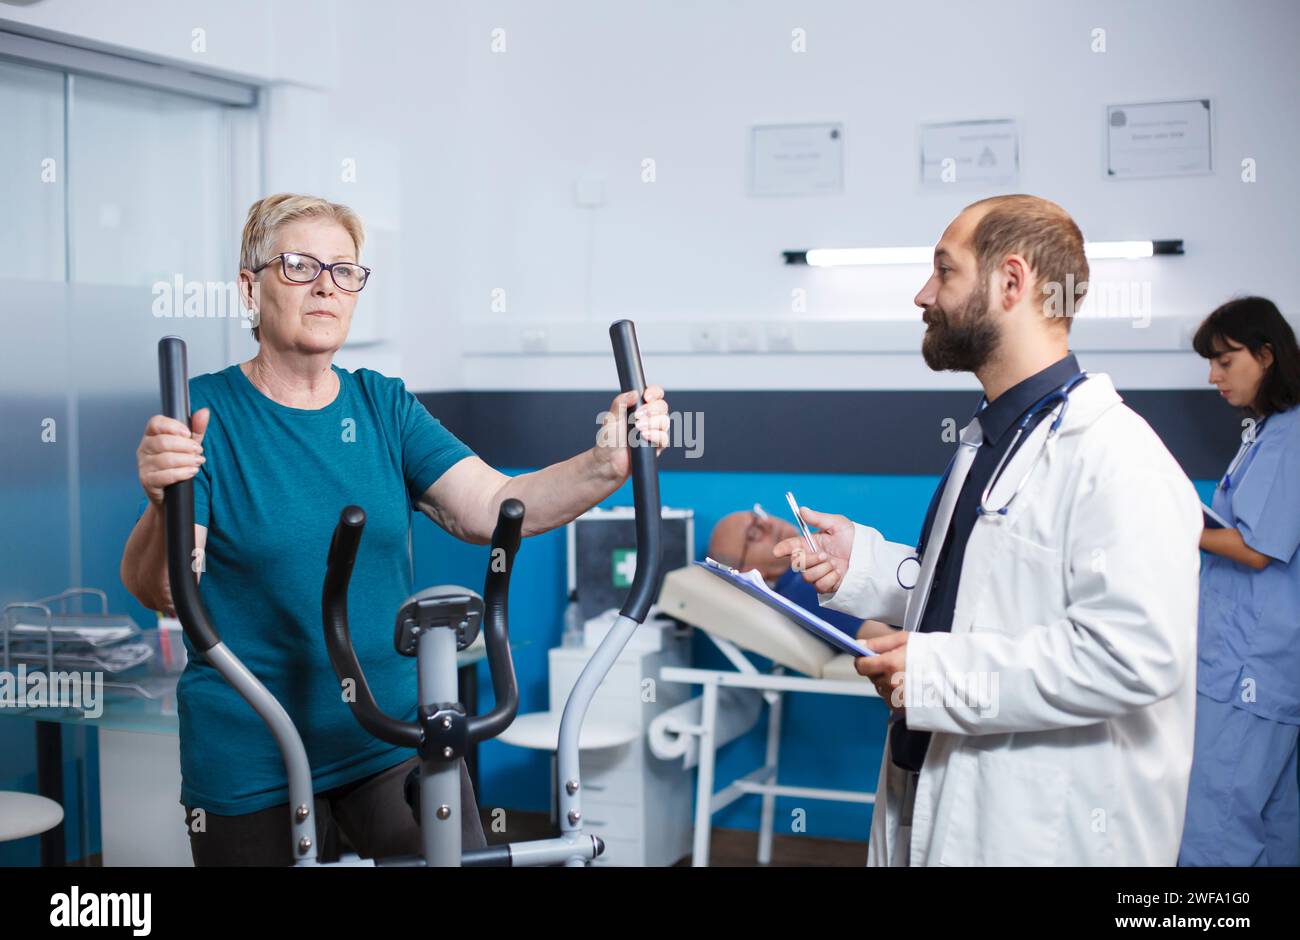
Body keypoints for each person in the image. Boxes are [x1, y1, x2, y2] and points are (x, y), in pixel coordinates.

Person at [119, 193, 672, 866]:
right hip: (252, 754)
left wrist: (605, 461)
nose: (325, 284)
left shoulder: (382, 404)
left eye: (345, 270)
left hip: (389, 736)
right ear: (249, 287)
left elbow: (494, 505)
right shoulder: (205, 415)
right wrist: (160, 501)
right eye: (297, 265)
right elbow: (170, 591)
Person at [773, 194, 1202, 866]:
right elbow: (982, 593)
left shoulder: (1117, 457)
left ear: (1011, 282)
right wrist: (864, 565)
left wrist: (938, 673)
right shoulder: (988, 442)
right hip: (931, 790)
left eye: (943, 271)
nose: (922, 295)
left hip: (1038, 829)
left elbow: (1135, 654)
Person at [1179, 296, 1300, 866]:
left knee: (1216, 828)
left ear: (1267, 354)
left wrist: (1176, 522)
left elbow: (1255, 548)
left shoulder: (1289, 436)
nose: (1213, 375)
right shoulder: (1271, 431)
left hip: (1249, 672)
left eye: (1226, 360)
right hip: (1265, 668)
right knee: (1274, 826)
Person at [708, 506, 890, 642]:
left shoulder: (820, 561)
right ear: (747, 570)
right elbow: (884, 639)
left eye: (758, 515)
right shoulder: (807, 588)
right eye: (754, 533)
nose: (768, 522)